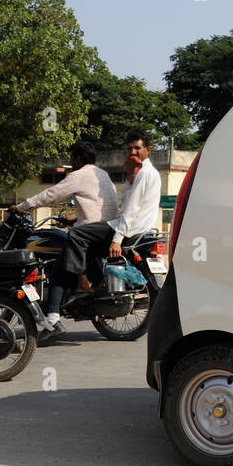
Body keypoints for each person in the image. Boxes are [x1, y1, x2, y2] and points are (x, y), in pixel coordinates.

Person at [47, 133, 161, 339]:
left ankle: (83, 283)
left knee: (76, 235)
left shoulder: (144, 173)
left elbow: (131, 210)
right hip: (136, 228)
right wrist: (129, 176)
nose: (133, 152)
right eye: (130, 149)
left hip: (127, 228)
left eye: (137, 148)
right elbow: (126, 205)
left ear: (148, 150)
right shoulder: (139, 173)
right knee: (86, 246)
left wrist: (117, 239)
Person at [12, 141, 118, 225]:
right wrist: (74, 221)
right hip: (107, 228)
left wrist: (20, 207)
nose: (71, 163)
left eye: (71, 159)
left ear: (78, 159)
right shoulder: (103, 174)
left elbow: (50, 194)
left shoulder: (78, 175)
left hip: (89, 231)